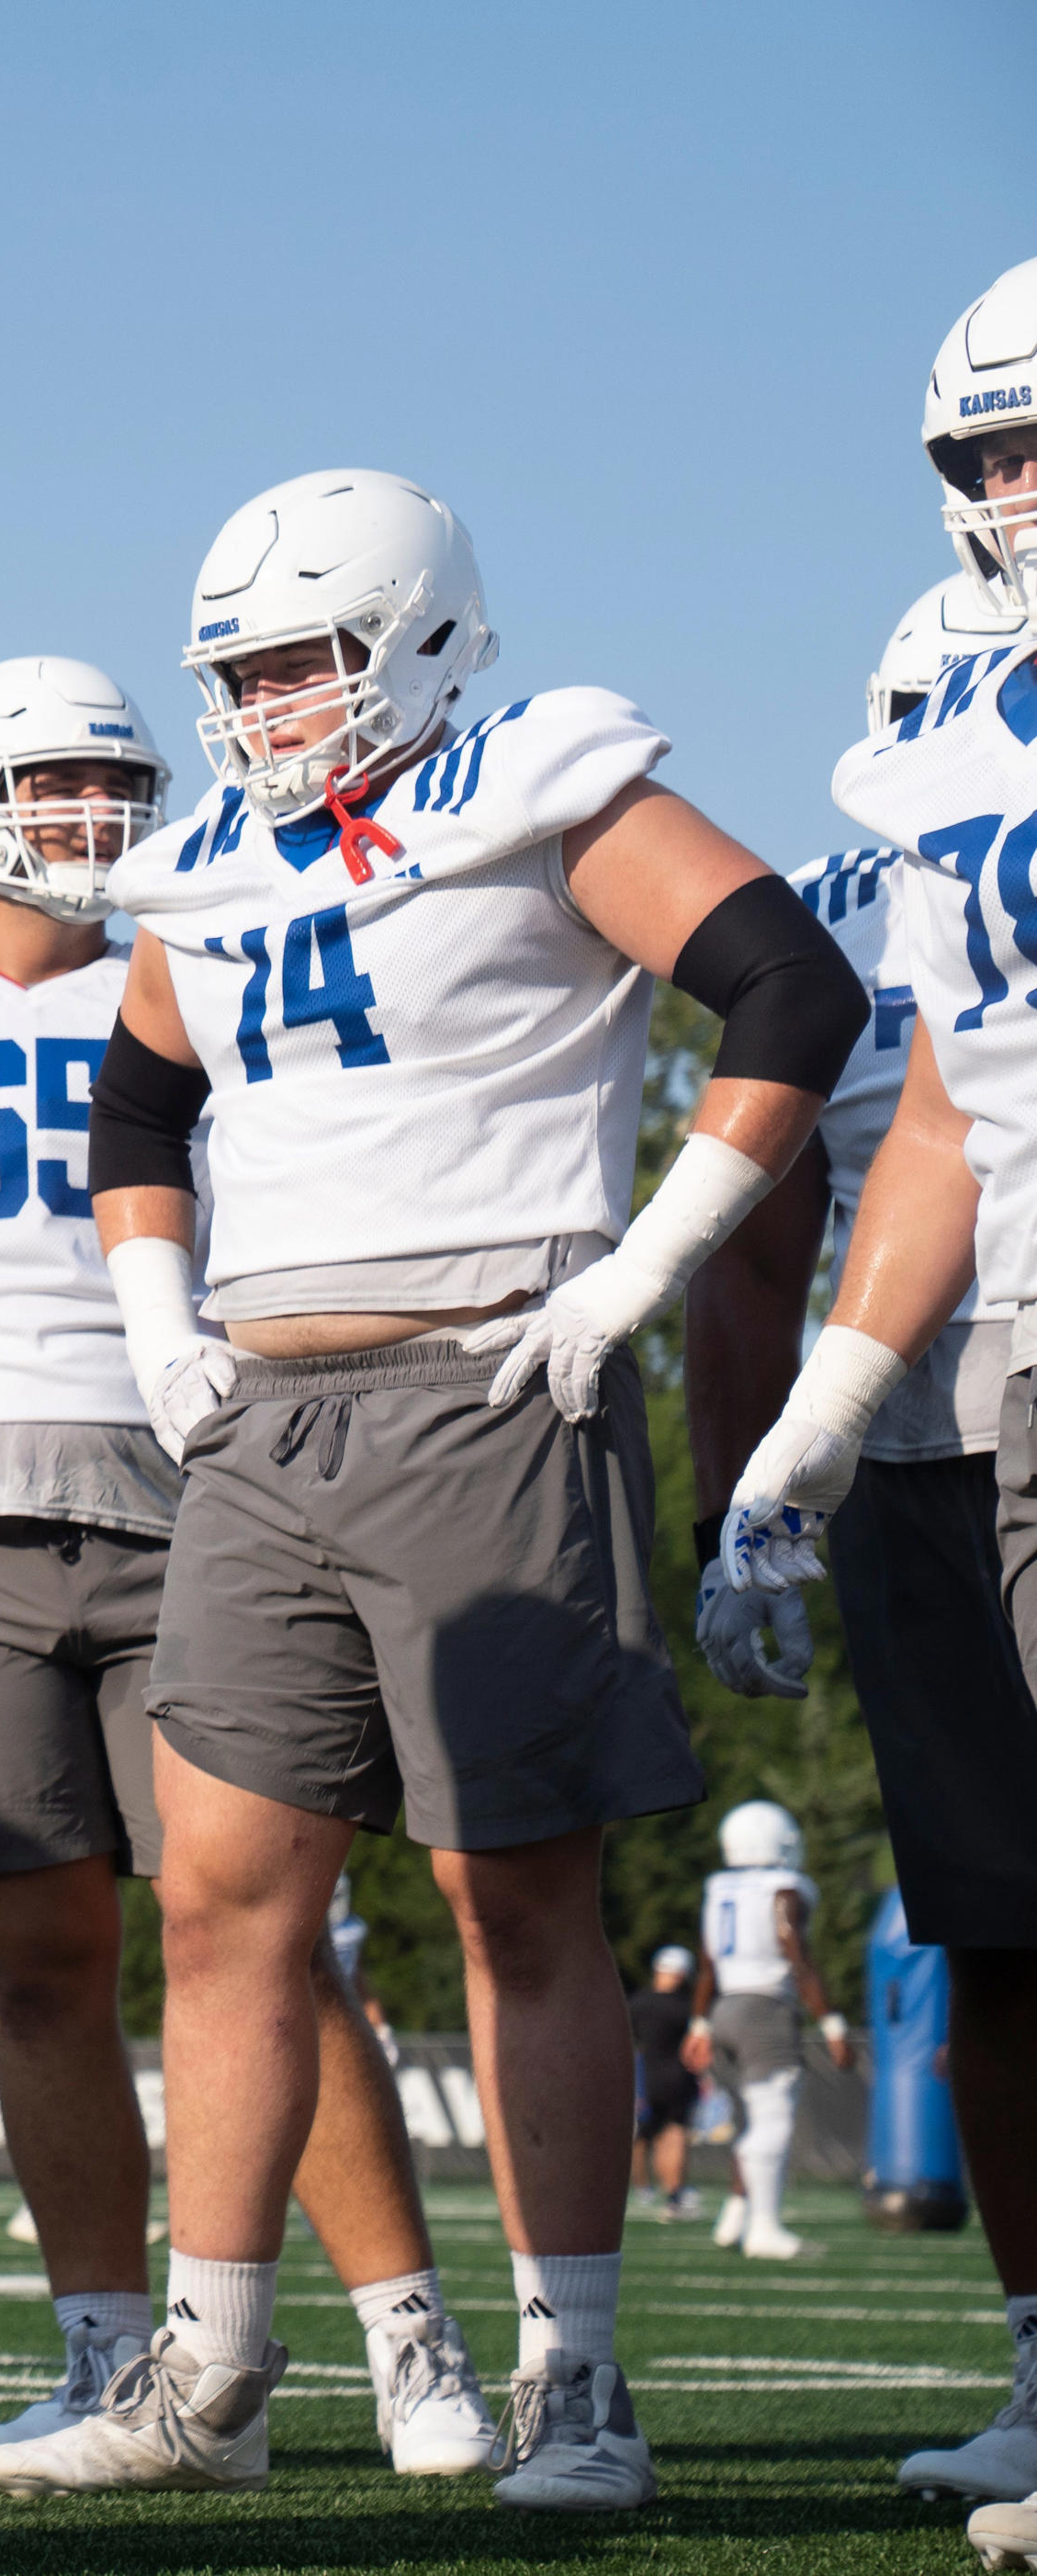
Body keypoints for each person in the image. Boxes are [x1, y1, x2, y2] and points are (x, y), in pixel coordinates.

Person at [0, 466, 859, 2514]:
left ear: (421, 635)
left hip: (493, 1376)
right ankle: (209, 2368)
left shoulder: (540, 776)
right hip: (262, 1425)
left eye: (306, 660)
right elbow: (137, 1098)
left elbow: (790, 989)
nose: (273, 706)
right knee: (219, 1902)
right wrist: (152, 1317)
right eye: (245, 672)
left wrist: (645, 1267)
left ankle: (577, 2382)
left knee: (516, 1897)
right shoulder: (205, 863)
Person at [0, 663, 493, 2485]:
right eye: (57, 788)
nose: (98, 822)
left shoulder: (207, 953)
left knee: (267, 1937)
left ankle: (405, 2338)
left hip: (196, 1487)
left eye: (118, 785)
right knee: (37, 1957)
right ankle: (112, 2352)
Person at [686, 536, 1037, 2510]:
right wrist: (756, 1498)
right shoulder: (846, 921)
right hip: (914, 1452)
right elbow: (759, 1245)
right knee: (993, 1931)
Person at [679, 1802, 853, 2260]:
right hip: (765, 2009)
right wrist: (833, 2023)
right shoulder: (783, 1888)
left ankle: (734, 2217)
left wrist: (698, 2023)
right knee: (772, 2121)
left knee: (753, 2124)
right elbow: (796, 1955)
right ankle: (765, 2228)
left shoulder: (719, 1889)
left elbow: (707, 1963)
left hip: (723, 2009)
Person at [629, 1946, 703, 2220]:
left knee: (651, 2136)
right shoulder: (687, 2006)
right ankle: (674, 2195)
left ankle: (646, 2187)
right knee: (674, 2134)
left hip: (646, 2076)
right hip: (679, 2075)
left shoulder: (639, 2002)